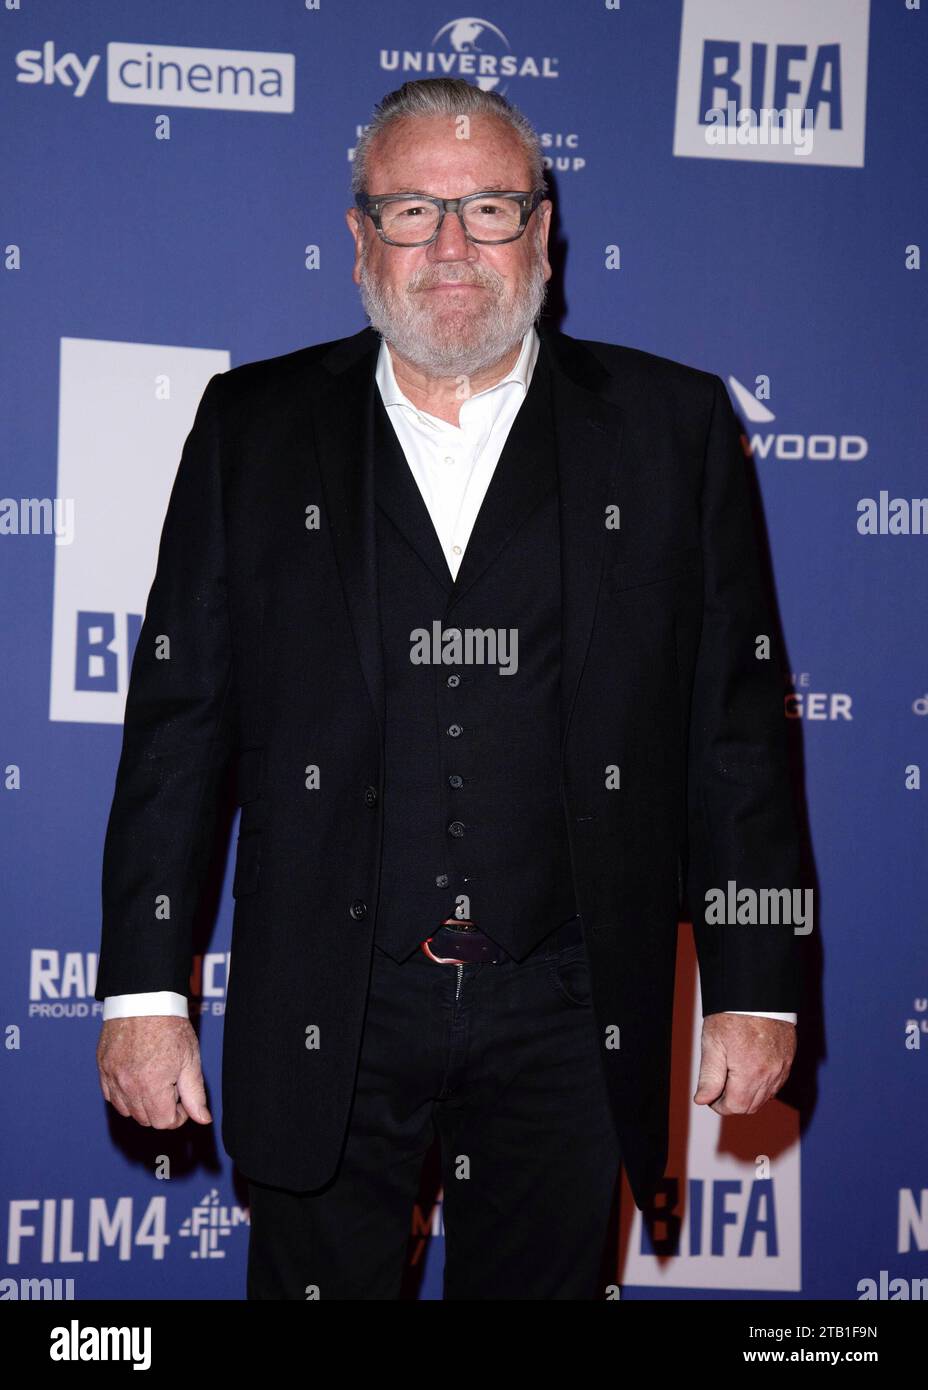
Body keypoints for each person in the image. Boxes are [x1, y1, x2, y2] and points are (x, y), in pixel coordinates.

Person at [95, 77, 800, 1300]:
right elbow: (178, 725)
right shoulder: (250, 427)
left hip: (567, 1003)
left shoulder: (669, 426)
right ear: (359, 234)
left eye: (487, 207)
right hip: (330, 993)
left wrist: (757, 982)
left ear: (543, 228)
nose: (452, 246)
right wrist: (146, 991)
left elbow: (732, 730)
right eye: (414, 211)